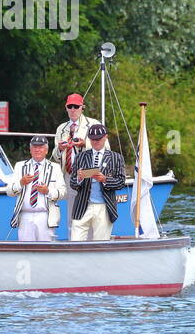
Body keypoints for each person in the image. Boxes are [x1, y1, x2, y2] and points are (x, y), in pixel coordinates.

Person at [68, 124, 126, 241]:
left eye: (99, 139)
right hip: (83, 206)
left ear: (106, 137)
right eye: (93, 139)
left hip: (104, 206)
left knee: (101, 244)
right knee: (75, 242)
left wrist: (105, 179)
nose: (96, 142)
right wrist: (79, 178)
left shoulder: (116, 158)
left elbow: (121, 182)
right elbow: (72, 183)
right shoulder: (80, 157)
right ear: (89, 139)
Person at [8, 136, 66, 241]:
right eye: (34, 147)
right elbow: (9, 191)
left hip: (45, 215)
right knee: (26, 250)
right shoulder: (20, 166)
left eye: (41, 147)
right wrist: (21, 183)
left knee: (46, 251)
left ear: (46, 150)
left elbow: (63, 192)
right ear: (30, 150)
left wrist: (48, 191)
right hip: (25, 215)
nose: (37, 149)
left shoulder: (55, 168)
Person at [52, 93, 100, 221]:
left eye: (76, 106)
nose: (73, 110)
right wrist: (60, 148)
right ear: (66, 108)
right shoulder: (61, 129)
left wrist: (85, 144)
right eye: (70, 106)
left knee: (91, 212)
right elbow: (55, 156)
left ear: (82, 107)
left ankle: (91, 241)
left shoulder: (93, 124)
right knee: (72, 215)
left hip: (90, 173)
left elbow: (105, 149)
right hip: (69, 174)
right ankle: (73, 240)